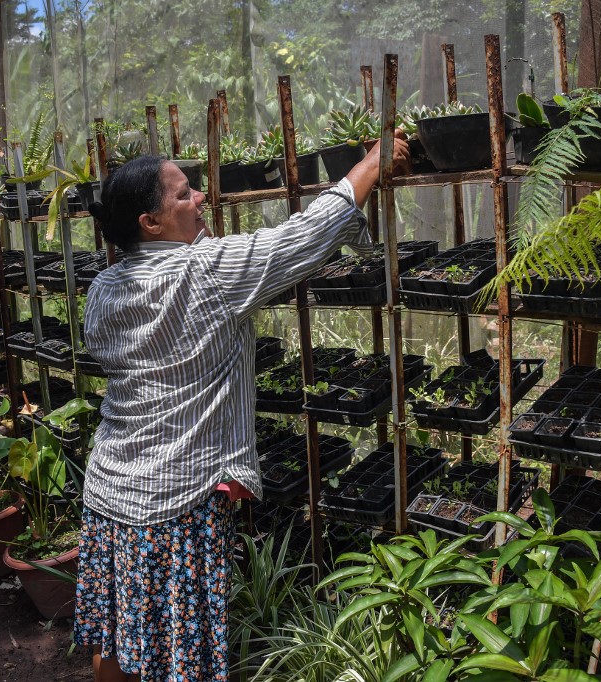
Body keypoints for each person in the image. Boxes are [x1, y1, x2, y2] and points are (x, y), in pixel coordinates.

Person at [74, 132, 411, 682]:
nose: (200, 197)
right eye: (184, 194)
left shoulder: (104, 288)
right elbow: (303, 236)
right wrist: (372, 163)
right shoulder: (206, 271)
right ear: (150, 222)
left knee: (118, 632)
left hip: (109, 489)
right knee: (182, 651)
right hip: (175, 503)